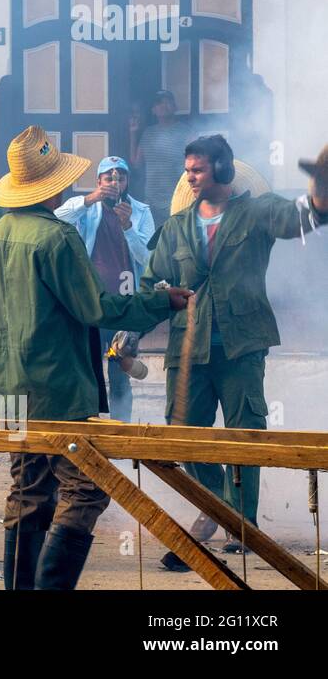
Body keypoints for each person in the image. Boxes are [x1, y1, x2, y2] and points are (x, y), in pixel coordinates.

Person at [0, 126, 191, 590]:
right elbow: (96, 307)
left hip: (7, 390)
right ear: (53, 186)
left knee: (28, 488)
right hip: (58, 388)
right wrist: (159, 302)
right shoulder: (56, 239)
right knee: (86, 486)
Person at [143, 134, 328, 570]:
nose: (191, 177)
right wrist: (134, 326)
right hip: (188, 348)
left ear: (223, 169)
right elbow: (152, 282)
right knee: (184, 436)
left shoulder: (257, 213)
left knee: (244, 436)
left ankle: (241, 527)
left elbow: (301, 218)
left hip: (242, 344)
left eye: (199, 169)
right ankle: (219, 507)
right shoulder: (175, 228)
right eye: (187, 170)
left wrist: (320, 194)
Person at [53, 156, 155, 422]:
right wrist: (90, 199)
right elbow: (55, 217)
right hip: (92, 303)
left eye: (120, 178)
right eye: (108, 178)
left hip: (123, 304)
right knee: (88, 369)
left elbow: (148, 258)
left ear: (127, 181)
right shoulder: (87, 209)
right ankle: (91, 428)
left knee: (120, 370)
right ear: (99, 182)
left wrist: (129, 228)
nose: (115, 182)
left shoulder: (141, 211)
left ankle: (121, 430)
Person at [129, 90, 192, 229]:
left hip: (177, 196)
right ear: (153, 110)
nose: (164, 105)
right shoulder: (148, 133)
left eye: (168, 101)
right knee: (154, 241)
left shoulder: (185, 132)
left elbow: (194, 162)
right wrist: (133, 134)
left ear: (175, 107)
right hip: (152, 198)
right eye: (159, 103)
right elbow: (136, 163)